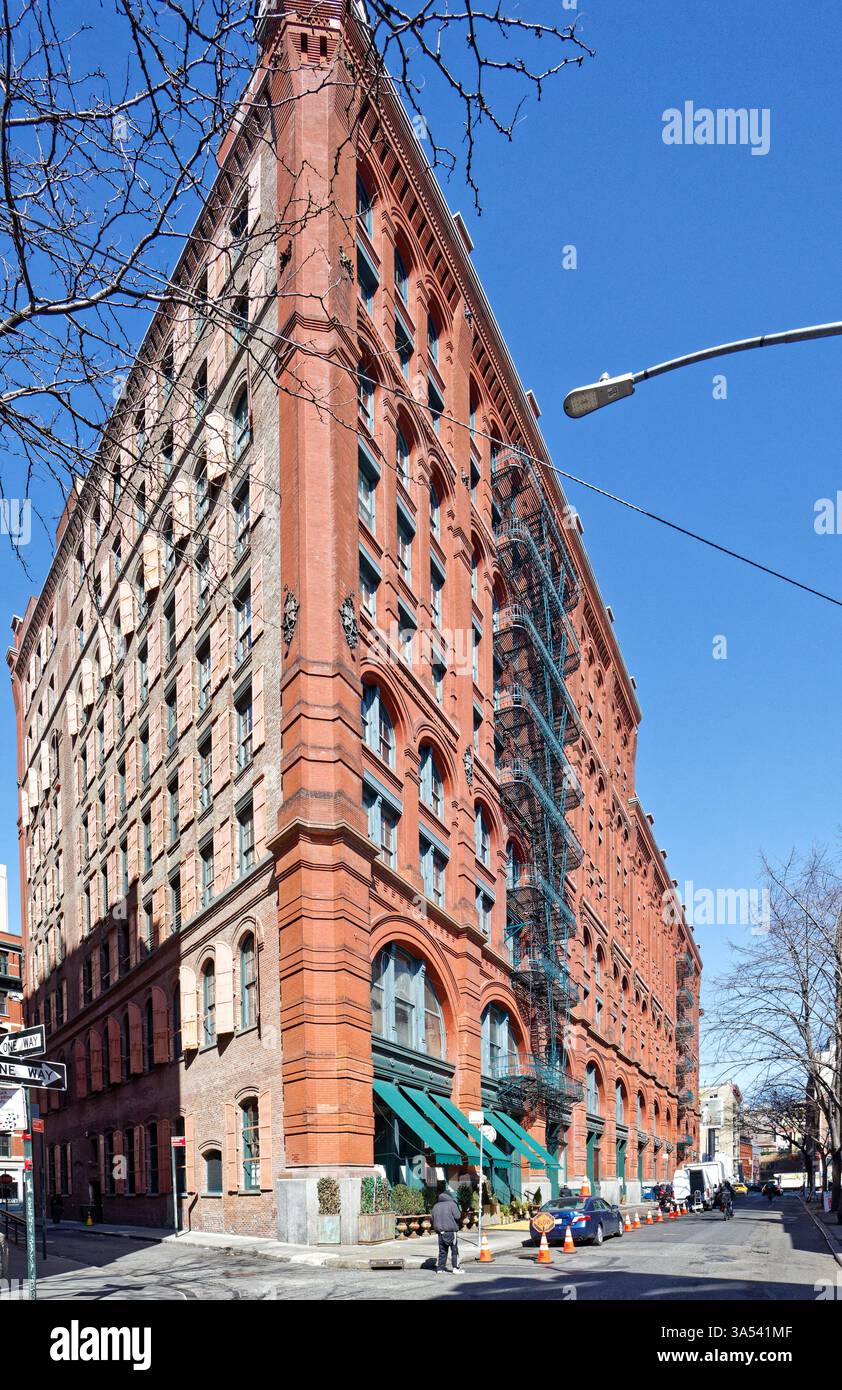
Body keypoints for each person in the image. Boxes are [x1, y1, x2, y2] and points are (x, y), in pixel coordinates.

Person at [431, 1186, 462, 1273]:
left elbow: (432, 1219)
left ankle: (440, 1268)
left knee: (442, 1251)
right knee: (454, 1250)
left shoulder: (435, 1206)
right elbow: (458, 1216)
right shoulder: (452, 1204)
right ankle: (456, 1268)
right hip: (451, 1231)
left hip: (440, 1232)